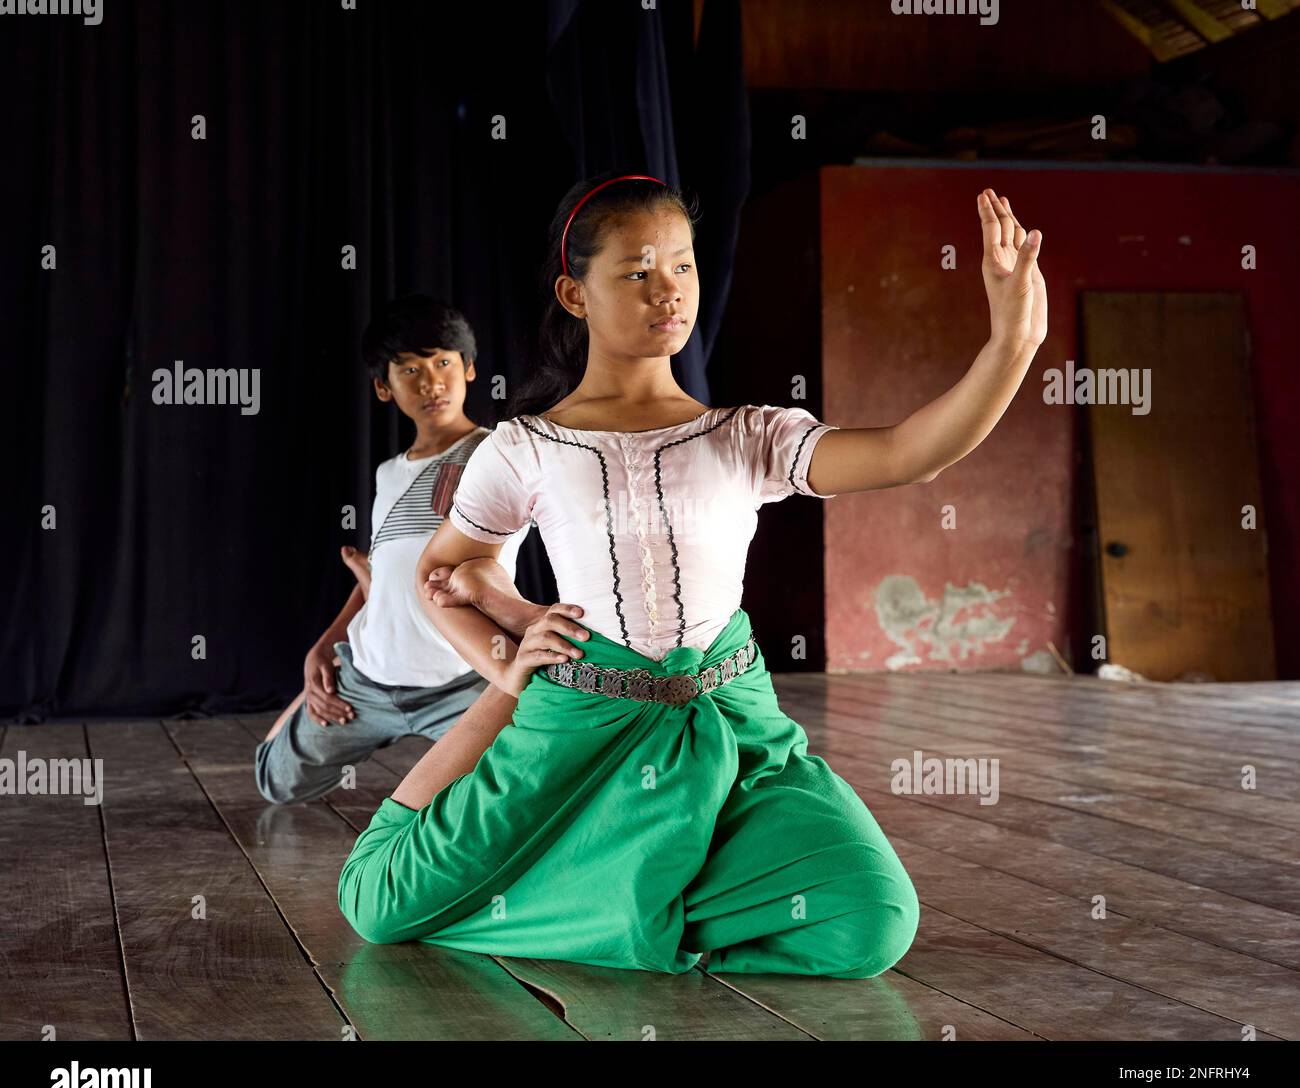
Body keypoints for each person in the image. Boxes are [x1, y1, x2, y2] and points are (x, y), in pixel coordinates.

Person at [336, 172, 1047, 977]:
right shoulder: (526, 444)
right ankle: (615, 900)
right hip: (576, 723)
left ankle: (627, 903)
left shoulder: (749, 435)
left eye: (682, 266)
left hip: (731, 723)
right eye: (637, 272)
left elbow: (909, 453)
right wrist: (506, 670)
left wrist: (1011, 345)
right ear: (576, 294)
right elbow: (443, 570)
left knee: (870, 919)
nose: (666, 291)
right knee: (377, 902)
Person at [253, 295, 529, 805]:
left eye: (443, 362)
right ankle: (316, 695)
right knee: (275, 783)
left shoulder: (501, 453)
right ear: (385, 386)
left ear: (468, 369)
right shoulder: (387, 473)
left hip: (460, 680)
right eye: (409, 369)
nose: (431, 382)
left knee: (513, 791)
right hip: (369, 677)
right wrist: (325, 644)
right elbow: (384, 578)